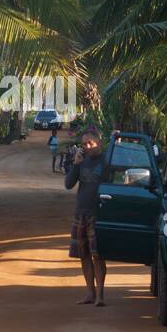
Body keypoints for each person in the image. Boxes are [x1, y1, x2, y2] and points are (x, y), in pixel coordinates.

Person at [65, 127, 107, 306]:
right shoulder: (81, 161)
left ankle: (100, 295)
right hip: (81, 213)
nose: (87, 147)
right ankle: (89, 292)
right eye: (84, 144)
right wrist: (75, 164)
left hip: (98, 214)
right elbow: (68, 184)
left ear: (99, 142)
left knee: (98, 255)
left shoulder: (107, 160)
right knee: (84, 255)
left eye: (90, 143)